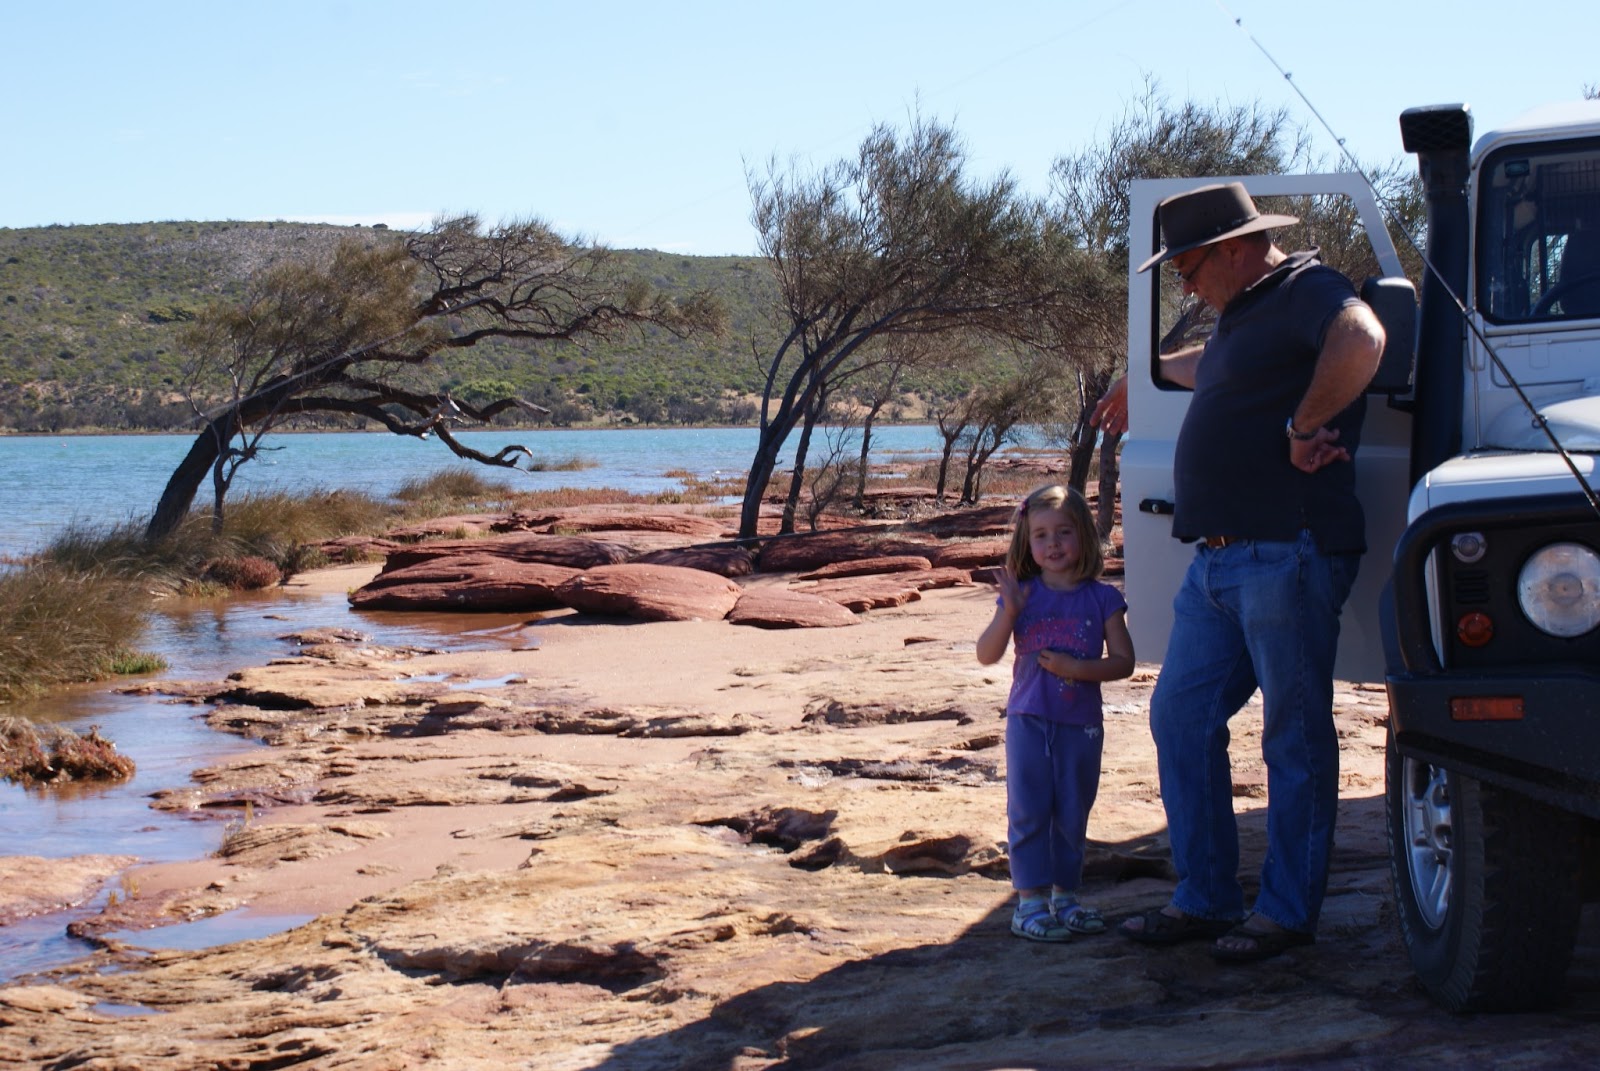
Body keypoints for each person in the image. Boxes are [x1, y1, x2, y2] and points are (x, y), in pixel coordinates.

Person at [1094, 182, 1386, 962]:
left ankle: (1286, 914)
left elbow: (1361, 339)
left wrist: (1305, 424)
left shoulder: (1306, 290)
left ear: (1230, 249)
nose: (1183, 285)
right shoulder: (1245, 315)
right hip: (1217, 561)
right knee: (1180, 719)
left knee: (1292, 736)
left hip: (1285, 549)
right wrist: (1147, 371)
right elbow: (1214, 368)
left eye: (1186, 268)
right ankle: (1207, 898)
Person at [977, 483, 1135, 942]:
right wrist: (1008, 612)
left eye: (1063, 532)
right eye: (1041, 535)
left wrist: (1076, 669)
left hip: (1080, 726)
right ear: (1028, 542)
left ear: (1084, 536)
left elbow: (1123, 662)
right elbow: (987, 654)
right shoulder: (1023, 594)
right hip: (1029, 720)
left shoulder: (1103, 598)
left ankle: (1065, 897)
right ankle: (1028, 904)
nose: (1053, 544)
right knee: (1028, 809)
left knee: (1072, 810)